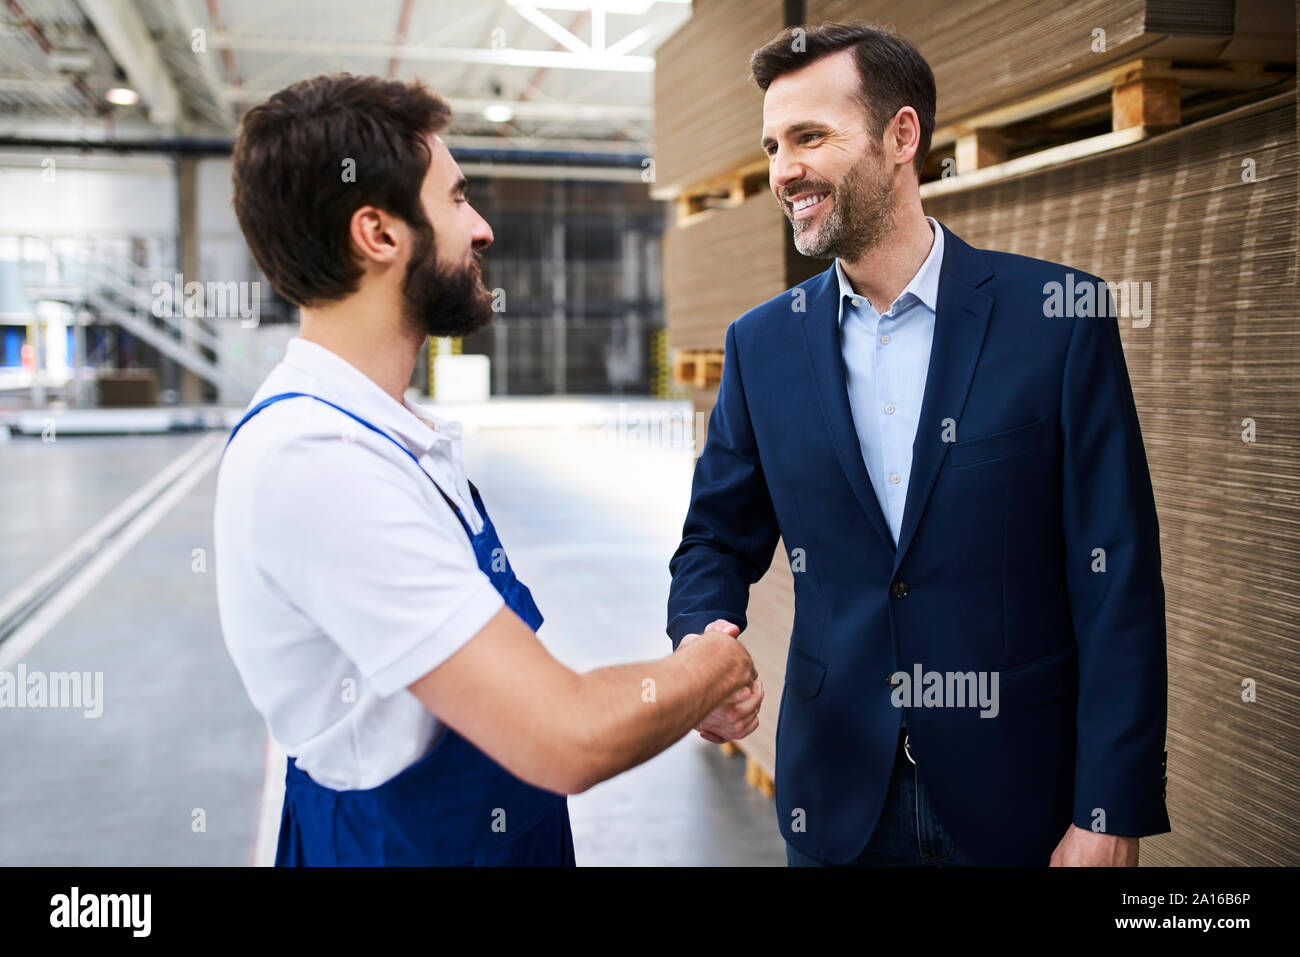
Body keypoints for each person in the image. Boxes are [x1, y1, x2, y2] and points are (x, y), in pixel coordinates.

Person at [213, 74, 756, 866]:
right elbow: (565, 733)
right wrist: (706, 668)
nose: (483, 228)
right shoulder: (318, 463)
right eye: (458, 199)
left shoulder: (387, 435)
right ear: (379, 233)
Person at [667, 22, 1170, 867]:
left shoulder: (1056, 320)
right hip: (836, 797)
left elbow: (1116, 574)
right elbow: (716, 534)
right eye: (772, 144)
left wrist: (1109, 804)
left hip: (1021, 798)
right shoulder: (763, 346)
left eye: (810, 137)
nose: (783, 168)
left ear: (902, 137)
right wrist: (699, 639)